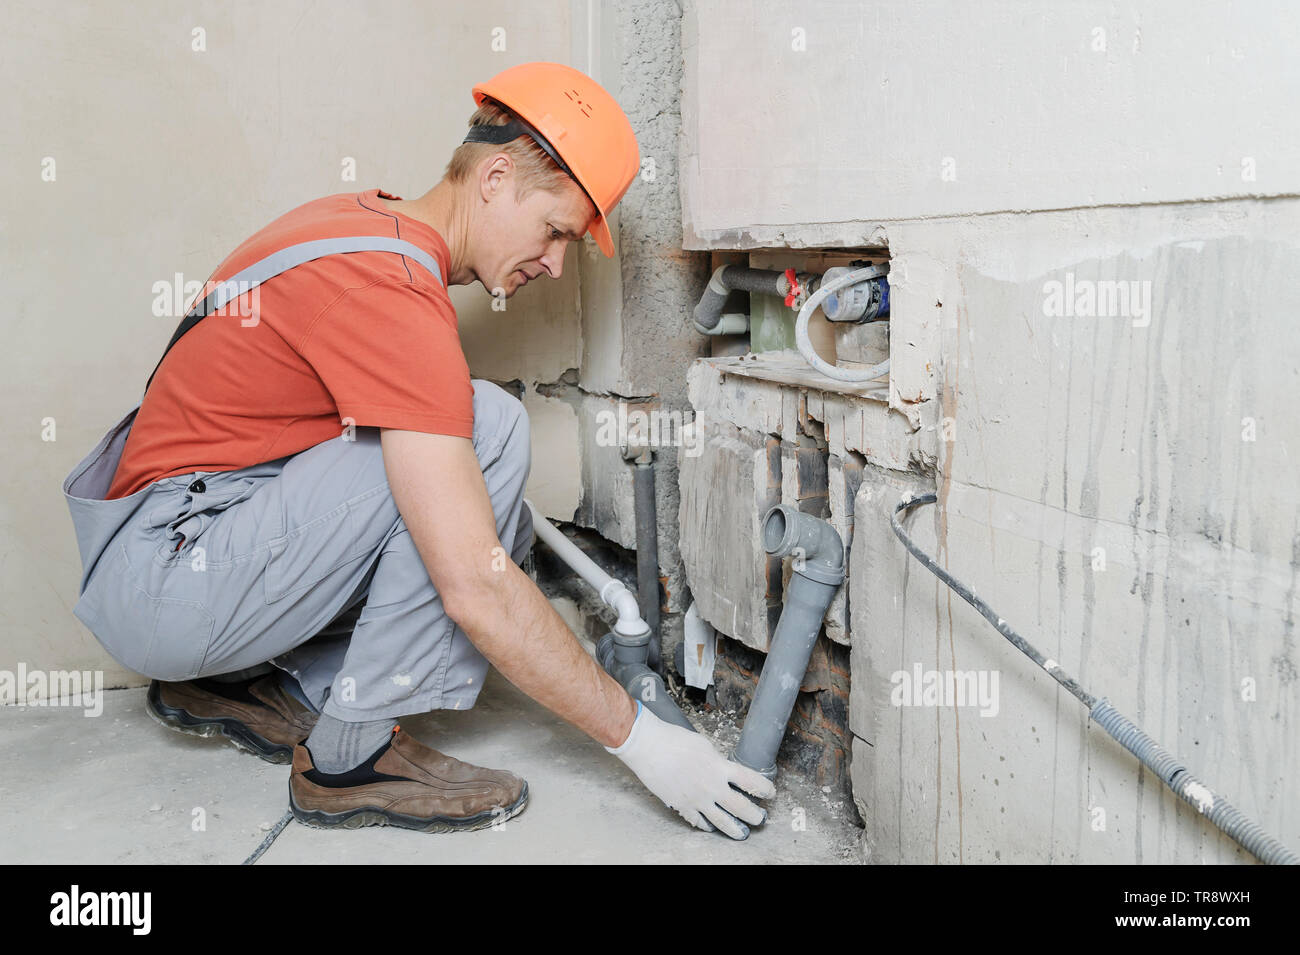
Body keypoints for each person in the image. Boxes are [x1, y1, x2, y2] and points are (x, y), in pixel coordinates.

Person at [61, 61, 773, 840]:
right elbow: (476, 587)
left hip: (163, 552)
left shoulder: (361, 224)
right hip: (170, 575)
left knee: (444, 461)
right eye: (555, 231)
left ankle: (232, 679)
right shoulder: (391, 288)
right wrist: (643, 741)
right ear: (496, 177)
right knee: (485, 428)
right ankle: (352, 757)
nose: (554, 263)